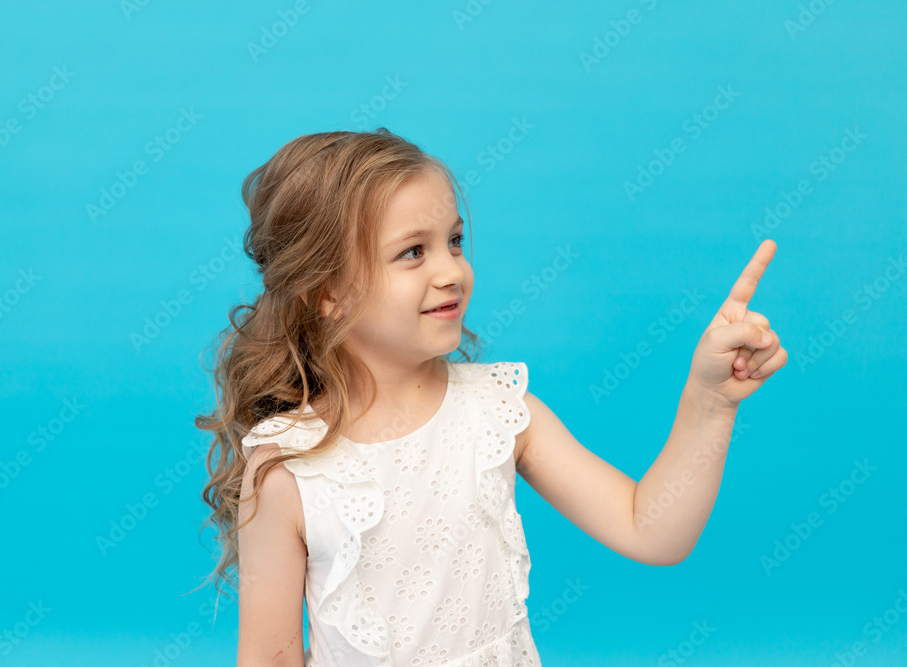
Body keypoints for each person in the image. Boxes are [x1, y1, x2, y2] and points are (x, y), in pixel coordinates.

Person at [194, 128, 787, 666]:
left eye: (453, 241)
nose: (451, 270)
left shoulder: (499, 413)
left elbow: (649, 530)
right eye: (413, 252)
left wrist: (711, 401)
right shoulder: (290, 469)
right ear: (328, 292)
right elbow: (268, 658)